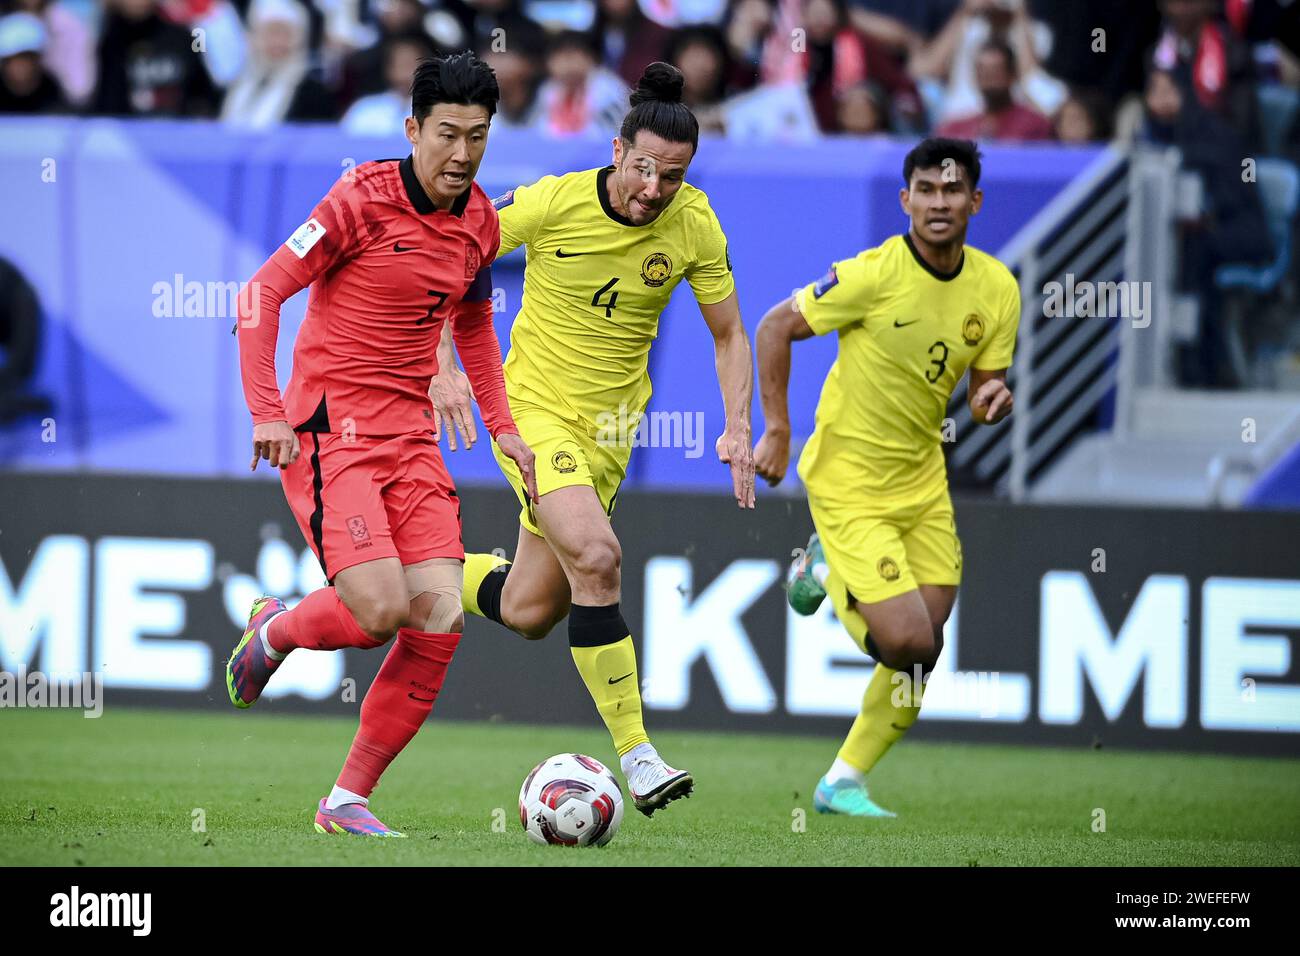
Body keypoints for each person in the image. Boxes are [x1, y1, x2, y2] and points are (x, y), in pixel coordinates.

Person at [432, 61, 755, 816]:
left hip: (609, 438)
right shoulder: (552, 202)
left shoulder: (694, 225)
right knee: (600, 557)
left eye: (671, 177)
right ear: (617, 152)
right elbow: (456, 251)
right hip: (533, 413)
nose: (653, 189)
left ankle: (410, 571)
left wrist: (738, 424)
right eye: (644, 168)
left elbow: (731, 332)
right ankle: (638, 756)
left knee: (529, 610)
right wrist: (441, 358)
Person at [228, 51, 537, 837]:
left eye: (477, 136)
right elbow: (261, 292)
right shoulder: (358, 199)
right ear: (411, 129)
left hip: (411, 439)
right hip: (331, 432)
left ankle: (346, 801)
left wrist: (502, 427)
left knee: (438, 616)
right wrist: (267, 410)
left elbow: (471, 322)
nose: (462, 155)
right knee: (376, 612)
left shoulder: (480, 222)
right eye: (446, 135)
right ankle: (274, 630)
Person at [753, 138, 1018, 817]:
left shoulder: (996, 287)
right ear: (905, 200)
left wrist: (992, 399)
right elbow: (773, 328)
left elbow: (987, 383)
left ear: (974, 201)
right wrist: (777, 429)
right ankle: (823, 566)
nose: (938, 203)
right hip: (849, 479)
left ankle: (843, 779)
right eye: (925, 191)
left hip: (923, 481)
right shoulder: (871, 275)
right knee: (905, 640)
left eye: (951, 191)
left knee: (922, 653)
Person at [220, 0, 335, 129]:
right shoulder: (233, 84)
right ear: (254, 37)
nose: (277, 42)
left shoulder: (314, 94)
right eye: (270, 33)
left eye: (285, 34)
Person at [936, 38, 1052, 141]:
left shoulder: (1034, 125)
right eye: (983, 72)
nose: (989, 79)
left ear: (1012, 75)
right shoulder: (956, 129)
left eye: (995, 71)